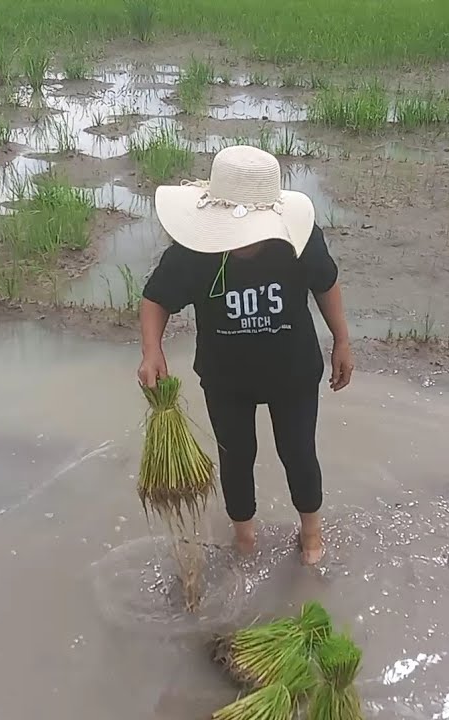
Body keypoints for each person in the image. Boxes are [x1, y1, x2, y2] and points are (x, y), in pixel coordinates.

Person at [136, 145, 353, 566]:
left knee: (299, 453)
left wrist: (342, 340)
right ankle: (245, 542)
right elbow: (154, 298)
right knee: (236, 458)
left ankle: (311, 539)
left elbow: (326, 284)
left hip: (292, 373)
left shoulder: (297, 239)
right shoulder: (194, 250)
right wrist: (152, 350)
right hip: (225, 378)